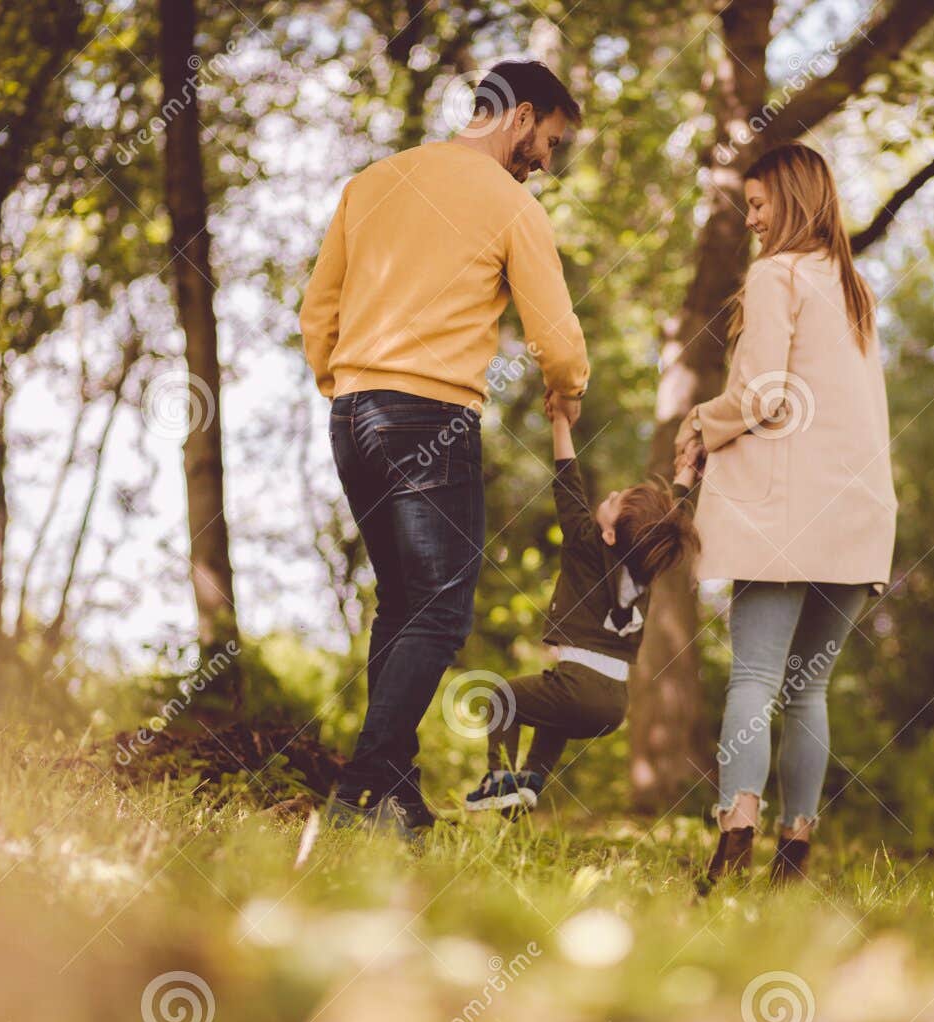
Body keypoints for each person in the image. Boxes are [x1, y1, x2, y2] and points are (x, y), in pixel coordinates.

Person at [299, 61, 590, 833]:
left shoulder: (374, 181)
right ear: (520, 115)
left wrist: (345, 382)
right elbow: (556, 340)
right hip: (431, 418)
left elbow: (317, 309)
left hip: (353, 415)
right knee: (440, 612)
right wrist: (570, 389)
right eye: (550, 141)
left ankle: (395, 797)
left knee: (400, 604)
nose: (546, 160)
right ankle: (359, 788)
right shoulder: (509, 204)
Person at [675, 142, 897, 886]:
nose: (753, 217)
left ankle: (737, 828)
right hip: (860, 517)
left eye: (762, 202)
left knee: (756, 676)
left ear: (796, 199)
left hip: (786, 515)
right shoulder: (854, 288)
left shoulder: (779, 275)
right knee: (808, 687)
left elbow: (764, 394)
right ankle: (796, 843)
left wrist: (699, 423)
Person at [465, 405, 700, 815]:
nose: (608, 495)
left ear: (609, 534)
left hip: (579, 685)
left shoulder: (585, 543)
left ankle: (499, 777)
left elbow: (567, 485)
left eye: (613, 501)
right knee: (554, 716)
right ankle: (531, 782)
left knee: (503, 696)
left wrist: (559, 422)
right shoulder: (647, 566)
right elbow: (667, 520)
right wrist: (687, 475)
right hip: (613, 705)